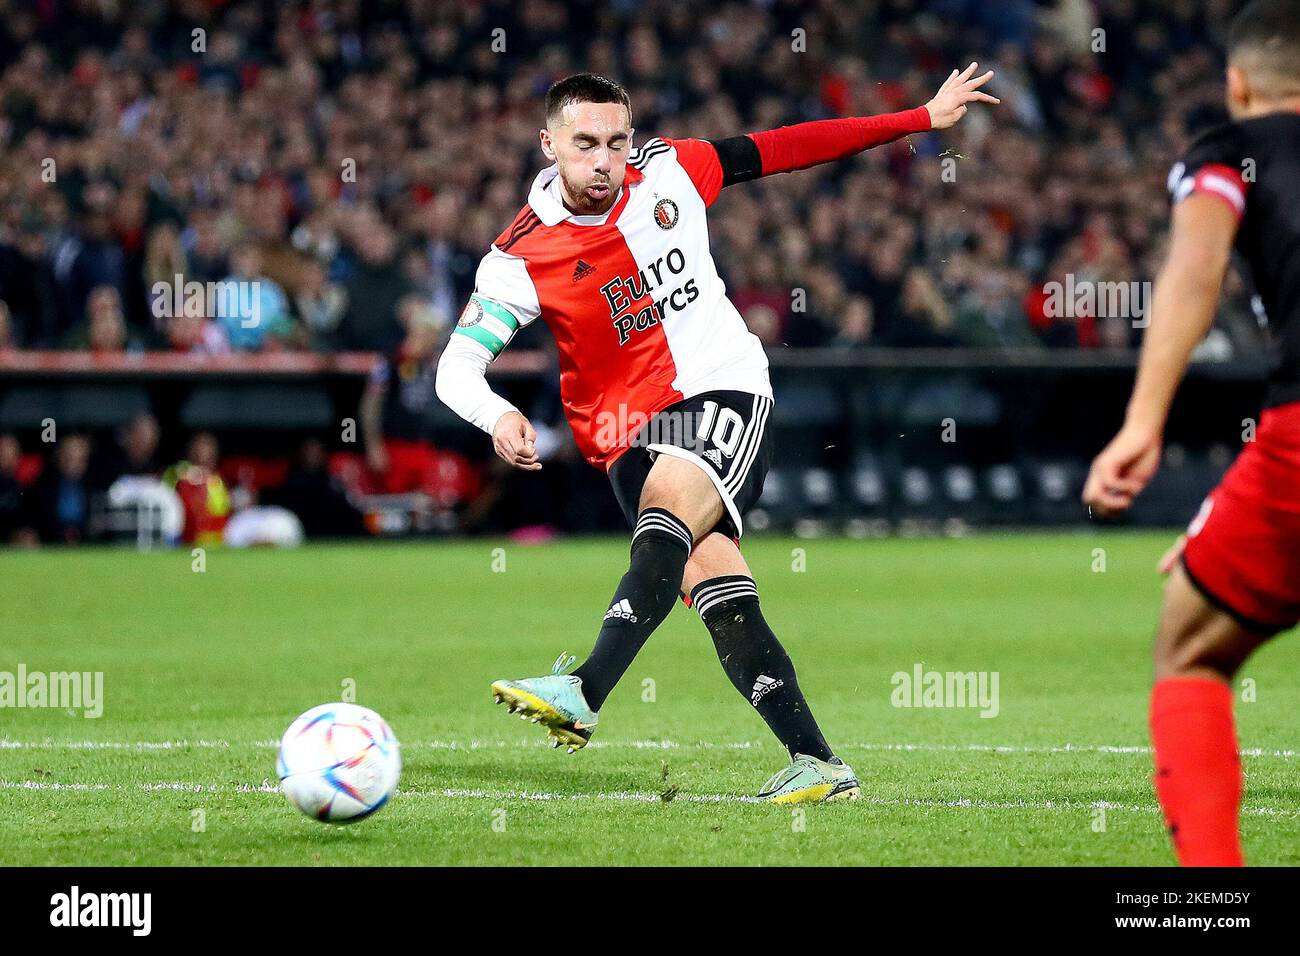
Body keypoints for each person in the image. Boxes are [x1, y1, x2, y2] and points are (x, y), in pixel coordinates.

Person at [437, 68, 998, 802]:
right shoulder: (520, 256)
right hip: (621, 439)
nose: (604, 160)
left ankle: (584, 690)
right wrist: (500, 414)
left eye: (616, 141)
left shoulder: (673, 171)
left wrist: (919, 117)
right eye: (584, 144)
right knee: (718, 590)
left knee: (671, 509)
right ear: (549, 145)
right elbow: (455, 368)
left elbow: (790, 146)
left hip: (720, 385)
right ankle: (820, 765)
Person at [1082, 0, 1300, 866]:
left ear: (1238, 84)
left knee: (1190, 650)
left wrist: (1143, 422)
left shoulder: (1226, 156)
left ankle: (1214, 896)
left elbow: (1194, 269)